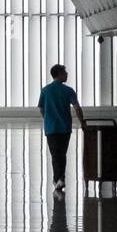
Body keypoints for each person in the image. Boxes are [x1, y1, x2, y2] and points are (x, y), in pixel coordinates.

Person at [37, 63, 85, 193]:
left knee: (55, 154)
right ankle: (60, 178)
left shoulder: (45, 90)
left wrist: (47, 119)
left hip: (51, 128)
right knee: (62, 154)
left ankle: (57, 179)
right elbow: (77, 107)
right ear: (59, 74)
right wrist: (82, 122)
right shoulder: (68, 91)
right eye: (65, 72)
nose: (67, 74)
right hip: (64, 128)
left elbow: (41, 108)